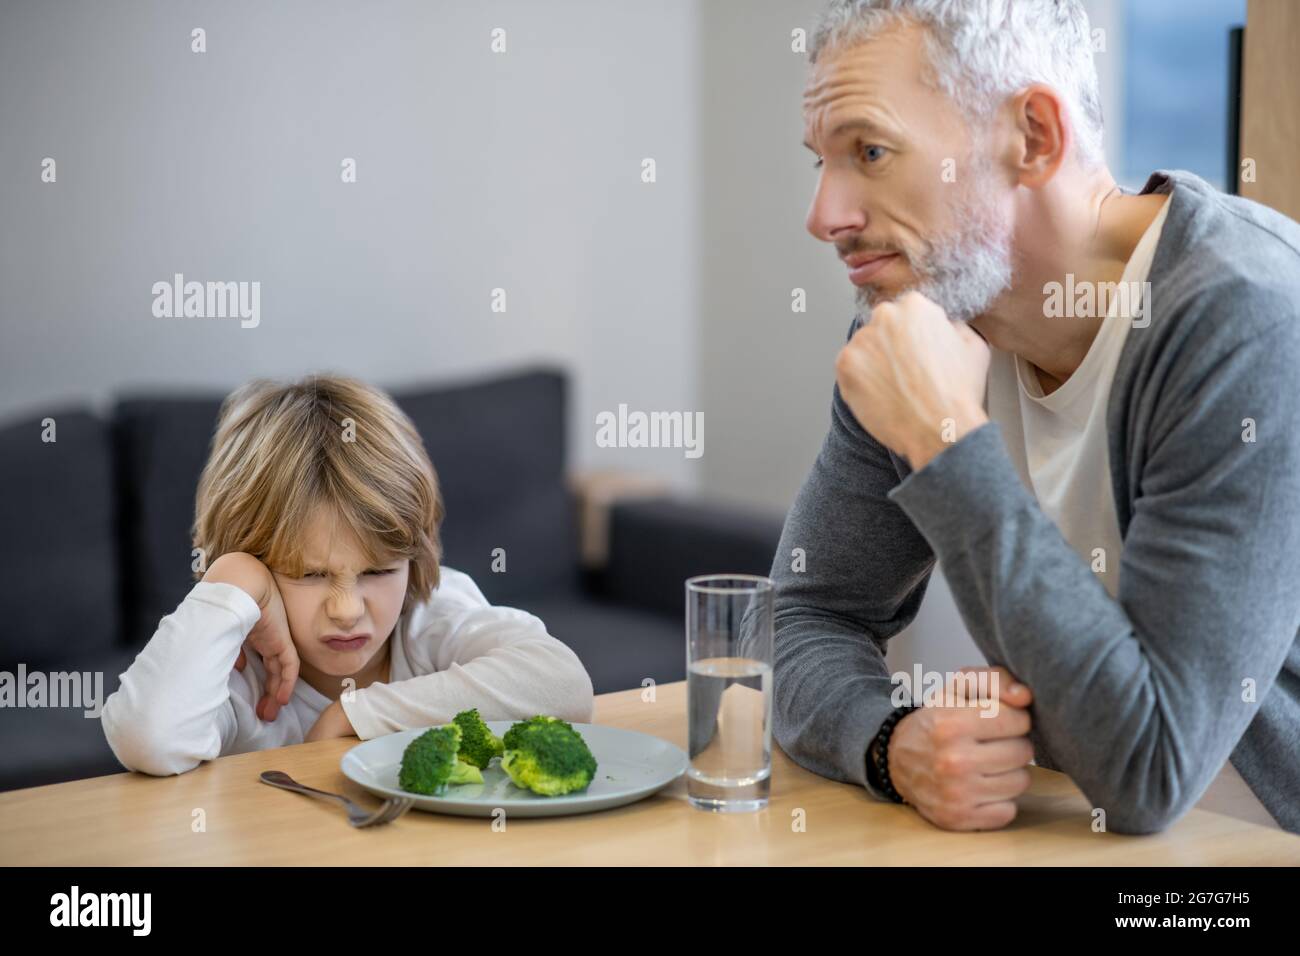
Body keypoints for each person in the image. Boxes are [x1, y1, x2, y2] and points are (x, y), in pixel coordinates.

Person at [772, 0, 1300, 834]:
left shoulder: (1247, 318)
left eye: (870, 151)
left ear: (1033, 137)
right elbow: (808, 612)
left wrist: (946, 438)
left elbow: (1147, 772)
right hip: (1076, 842)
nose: (825, 215)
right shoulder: (920, 316)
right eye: (822, 163)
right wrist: (889, 742)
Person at [102, 374, 594, 775]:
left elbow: (563, 684)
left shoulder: (427, 619)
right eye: (310, 574)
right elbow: (147, 739)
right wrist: (233, 577)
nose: (347, 609)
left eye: (379, 569)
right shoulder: (237, 665)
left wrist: (355, 715)